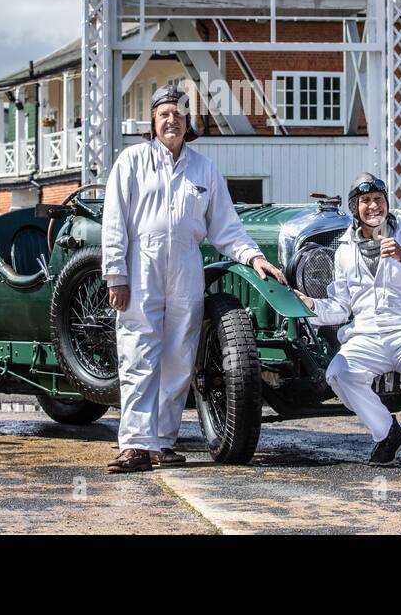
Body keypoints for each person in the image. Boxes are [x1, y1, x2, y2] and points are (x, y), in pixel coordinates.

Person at [101, 83, 287, 473]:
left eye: (180, 115)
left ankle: (162, 443)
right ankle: (135, 443)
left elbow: (226, 228)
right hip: (140, 266)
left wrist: (254, 258)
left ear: (189, 124)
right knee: (137, 354)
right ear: (152, 122)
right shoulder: (132, 161)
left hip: (187, 266)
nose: (172, 120)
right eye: (165, 114)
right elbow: (114, 222)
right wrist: (116, 274)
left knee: (179, 359)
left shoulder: (204, 169)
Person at [295, 173, 401, 470]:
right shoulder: (344, 250)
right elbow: (341, 307)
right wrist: (310, 306)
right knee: (339, 373)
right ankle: (387, 433)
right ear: (355, 208)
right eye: (366, 201)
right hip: (367, 334)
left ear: (387, 202)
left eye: (378, 199)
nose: (373, 206)